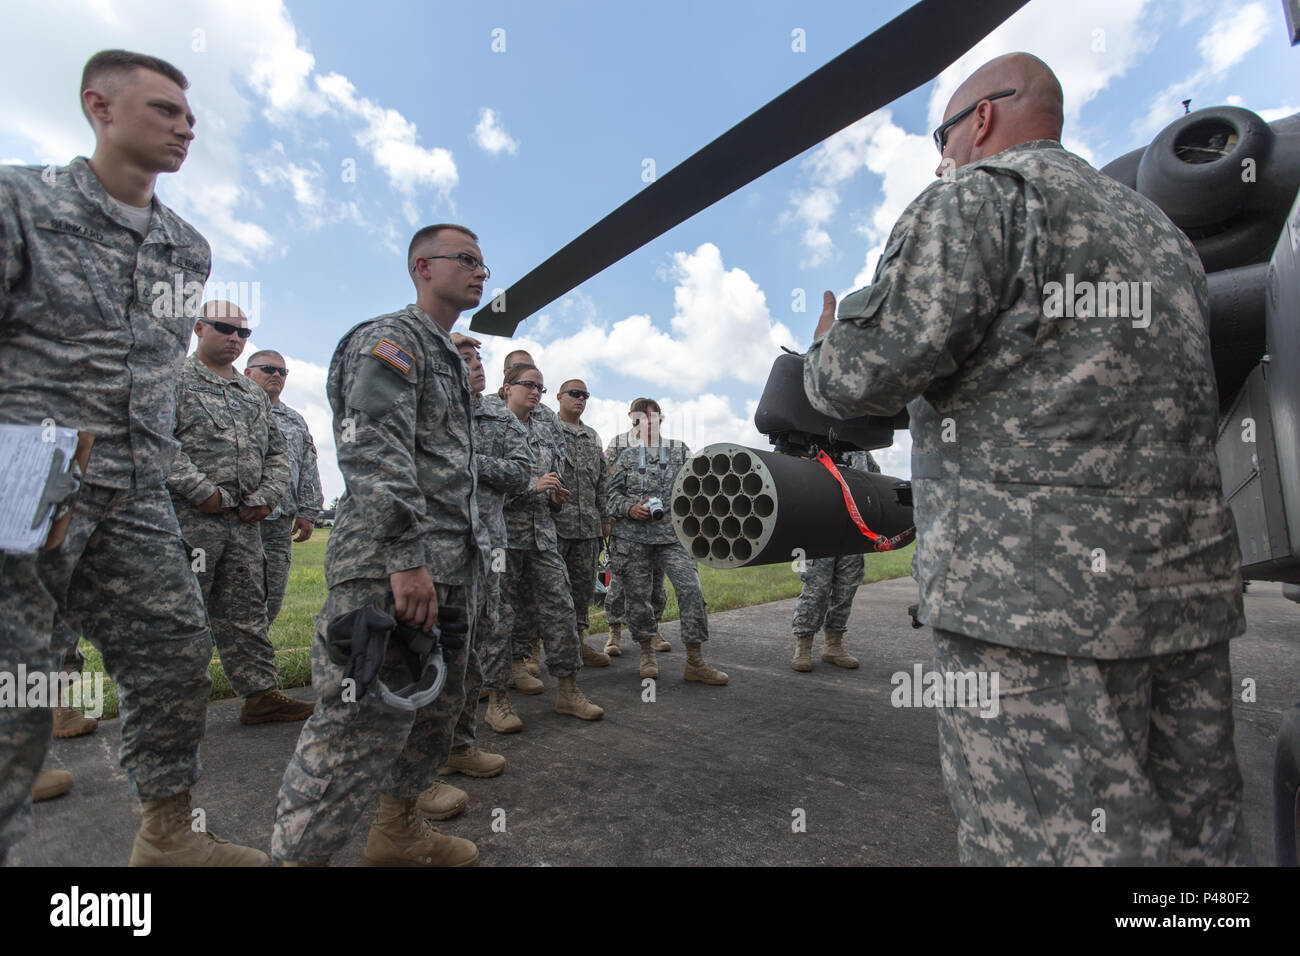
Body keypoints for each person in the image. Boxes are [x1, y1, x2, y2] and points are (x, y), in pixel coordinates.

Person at [803, 53, 1250, 865]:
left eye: (942, 134)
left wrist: (827, 346)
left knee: (1052, 844)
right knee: (1198, 847)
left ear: (980, 120)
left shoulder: (982, 199)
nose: (939, 156)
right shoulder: (1165, 235)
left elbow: (863, 376)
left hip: (1035, 614)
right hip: (1185, 598)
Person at [0, 49, 265, 865]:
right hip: (27, 473)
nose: (185, 127)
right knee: (19, 681)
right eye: (164, 110)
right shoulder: (21, 200)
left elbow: (154, 364)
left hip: (139, 486)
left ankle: (168, 835)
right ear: (100, 107)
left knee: (176, 653)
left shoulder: (189, 249)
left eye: (190, 116)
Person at [271, 223, 489, 866]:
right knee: (351, 733)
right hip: (389, 571)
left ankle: (394, 831)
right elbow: (371, 446)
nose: (482, 273)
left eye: (485, 264)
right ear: (423, 265)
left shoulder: (446, 354)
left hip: (447, 569)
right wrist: (405, 557)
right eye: (468, 260)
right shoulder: (391, 340)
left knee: (429, 716)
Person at [169, 302, 309, 724]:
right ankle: (174, 704)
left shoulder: (251, 394)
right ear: (198, 329)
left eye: (243, 333)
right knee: (184, 612)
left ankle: (261, 695)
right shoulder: (176, 379)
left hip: (245, 522)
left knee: (247, 611)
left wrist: (267, 496)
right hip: (190, 521)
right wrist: (201, 491)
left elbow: (278, 452)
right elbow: (158, 441)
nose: (235, 338)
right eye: (225, 329)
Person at [436, 332, 529, 751]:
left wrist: (470, 462)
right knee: (439, 641)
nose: (475, 363)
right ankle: (429, 749)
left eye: (477, 355)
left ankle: (467, 734)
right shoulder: (428, 409)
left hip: (490, 543)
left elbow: (521, 472)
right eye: (463, 355)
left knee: (490, 627)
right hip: (437, 548)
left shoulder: (498, 417)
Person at [497, 365, 604, 720]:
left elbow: (550, 479)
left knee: (561, 607)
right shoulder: (490, 423)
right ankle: (498, 697)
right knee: (499, 615)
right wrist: (531, 486)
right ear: (507, 387)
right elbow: (478, 477)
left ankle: (568, 690)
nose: (535, 392)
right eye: (529, 385)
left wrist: (555, 496)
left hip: (543, 535)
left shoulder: (545, 429)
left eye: (540, 387)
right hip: (503, 537)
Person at [606, 399, 727, 685]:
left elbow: (699, 487)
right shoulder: (623, 456)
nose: (648, 422)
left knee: (691, 591)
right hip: (633, 538)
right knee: (637, 598)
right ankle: (647, 652)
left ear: (661, 418)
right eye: (642, 418)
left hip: (673, 537)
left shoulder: (680, 451)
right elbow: (608, 496)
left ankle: (695, 661)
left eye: (653, 417)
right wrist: (629, 508)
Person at [244, 349, 324, 627]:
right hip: (239, 520)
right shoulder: (232, 410)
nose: (276, 375)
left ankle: (255, 657)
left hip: (279, 526)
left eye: (282, 371)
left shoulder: (294, 420)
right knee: (231, 597)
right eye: (268, 369)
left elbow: (308, 466)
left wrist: (309, 511)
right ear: (248, 373)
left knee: (272, 598)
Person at [790, 449, 880, 672]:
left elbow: (875, 479)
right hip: (819, 531)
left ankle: (833, 646)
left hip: (852, 532)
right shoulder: (809, 446)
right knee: (816, 589)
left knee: (845, 589)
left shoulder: (860, 451)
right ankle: (803, 646)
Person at [603, 399, 670, 657]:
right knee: (619, 583)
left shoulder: (666, 447)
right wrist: (610, 516)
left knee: (656, 583)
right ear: (631, 415)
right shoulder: (619, 444)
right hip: (626, 528)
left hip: (657, 529)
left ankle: (654, 631)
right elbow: (608, 483)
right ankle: (614, 632)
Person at [554, 379, 613, 667]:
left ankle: (579, 643)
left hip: (588, 528)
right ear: (559, 396)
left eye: (585, 395)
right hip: (555, 526)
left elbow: (602, 482)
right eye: (574, 394)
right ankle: (530, 652)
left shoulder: (592, 436)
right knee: (547, 590)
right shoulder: (546, 428)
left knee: (582, 590)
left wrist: (605, 518)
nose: (580, 399)